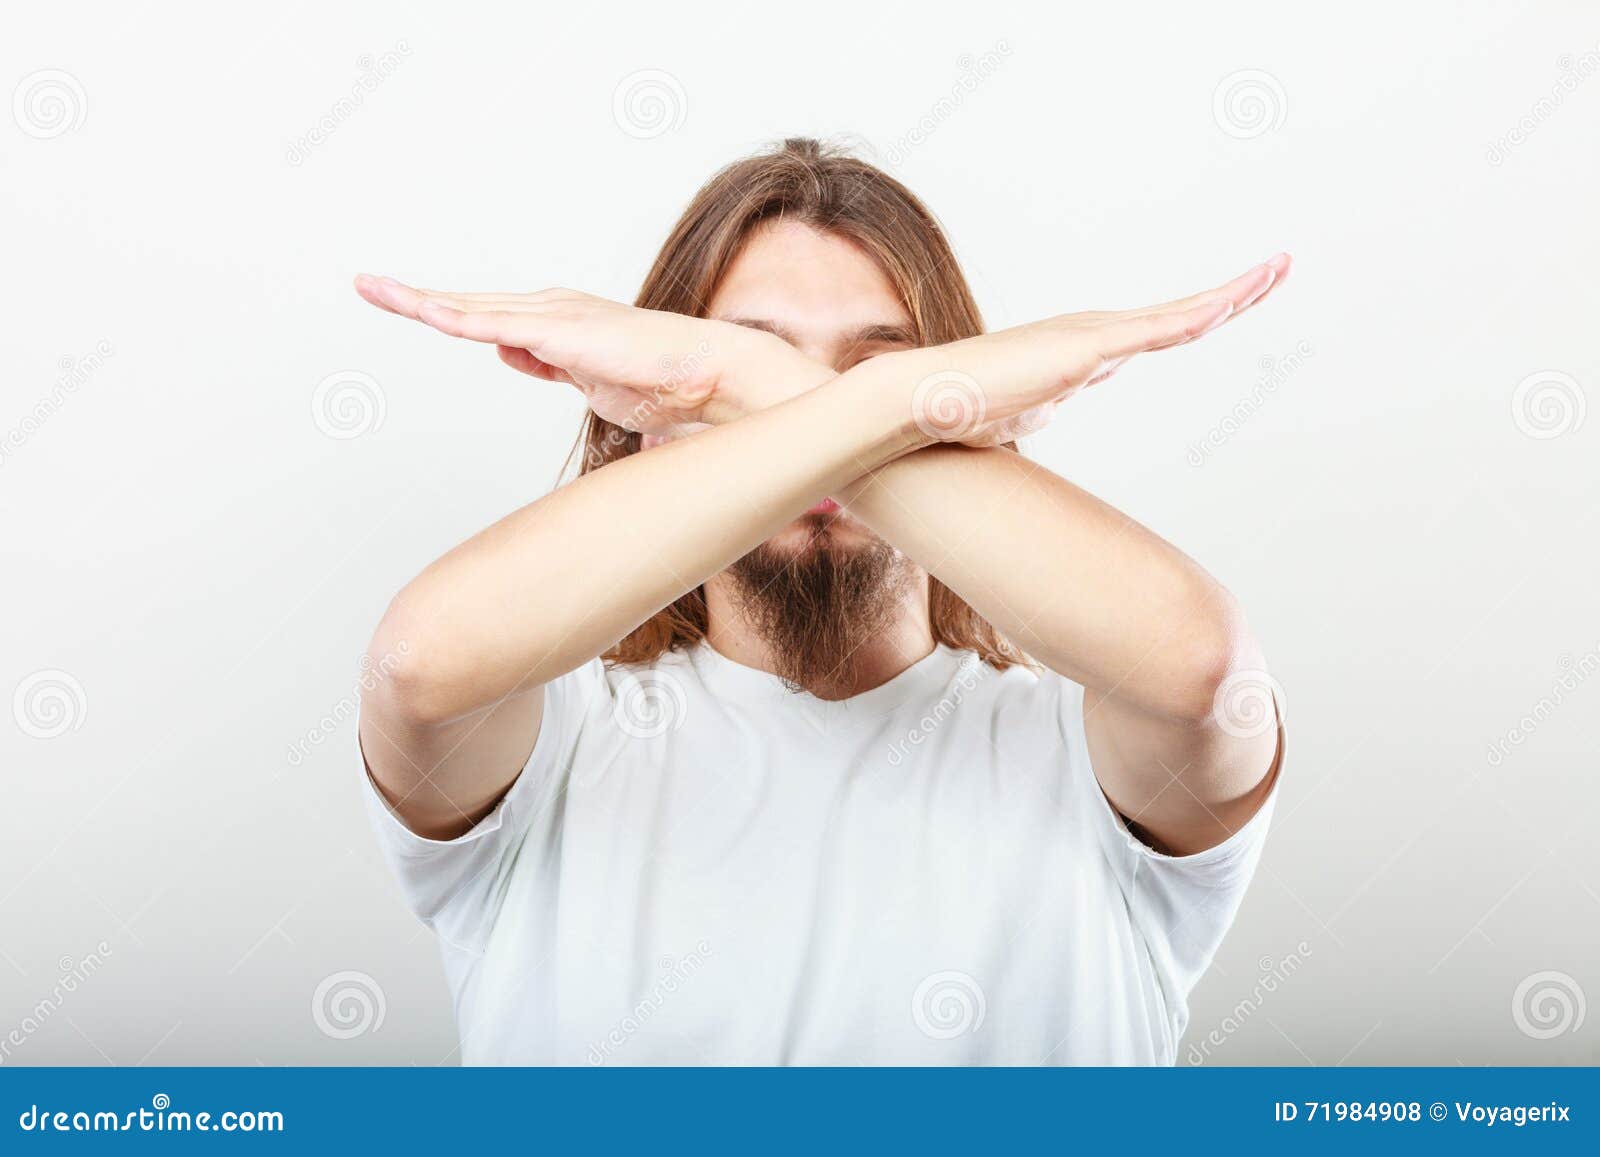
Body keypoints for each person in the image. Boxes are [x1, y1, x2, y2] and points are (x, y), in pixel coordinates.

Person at [352, 138, 1288, 1065]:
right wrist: (897, 405)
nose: (819, 444)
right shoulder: (557, 751)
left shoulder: (1086, 757)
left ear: (983, 433)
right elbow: (416, 666)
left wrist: (729, 380)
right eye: (739, 372)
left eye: (883, 370)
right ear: (646, 427)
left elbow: (1205, 671)